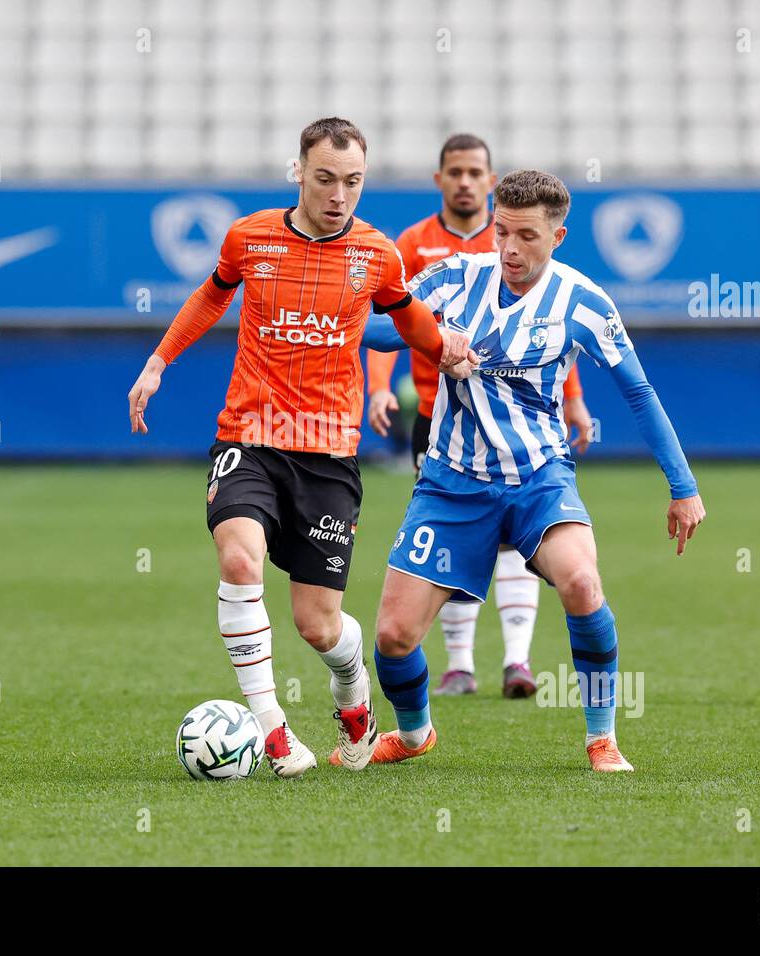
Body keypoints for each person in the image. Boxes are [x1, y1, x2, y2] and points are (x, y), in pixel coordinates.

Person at [126, 117, 475, 778]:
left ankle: (354, 702)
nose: (339, 194)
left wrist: (444, 347)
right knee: (237, 558)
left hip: (329, 455)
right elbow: (210, 294)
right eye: (324, 179)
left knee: (319, 626)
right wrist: (158, 361)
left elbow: (406, 317)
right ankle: (274, 732)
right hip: (249, 437)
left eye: (352, 181)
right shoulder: (250, 237)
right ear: (298, 173)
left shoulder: (377, 254)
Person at [331, 170, 705, 773]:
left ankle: (601, 738)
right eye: (501, 231)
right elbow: (372, 330)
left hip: (539, 477)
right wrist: (432, 337)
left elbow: (638, 391)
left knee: (583, 584)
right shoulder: (454, 277)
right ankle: (415, 730)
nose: (508, 248)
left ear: (557, 236)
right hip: (451, 481)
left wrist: (683, 487)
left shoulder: (583, 302)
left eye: (526, 236)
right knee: (394, 638)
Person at [363, 133, 593, 699]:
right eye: (455, 171)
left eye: (475, 172)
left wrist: (573, 399)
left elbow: (552, 338)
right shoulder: (415, 244)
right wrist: (377, 387)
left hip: (520, 426)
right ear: (440, 179)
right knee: (452, 543)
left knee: (521, 538)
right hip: (443, 421)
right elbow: (384, 321)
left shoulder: (525, 254)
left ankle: (517, 659)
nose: (465, 181)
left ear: (490, 183)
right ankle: (459, 664)